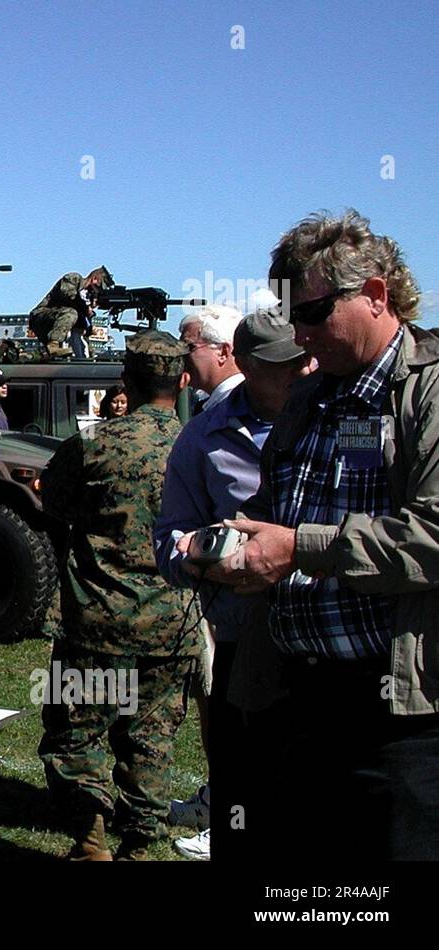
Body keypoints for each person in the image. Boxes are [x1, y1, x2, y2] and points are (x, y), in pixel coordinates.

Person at [188, 208, 439, 860]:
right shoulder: (310, 396)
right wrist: (233, 542)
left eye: (314, 313)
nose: (299, 334)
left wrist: (301, 548)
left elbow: (432, 534)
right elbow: (278, 510)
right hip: (294, 697)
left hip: (401, 716)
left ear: (377, 296)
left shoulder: (429, 392)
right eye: (290, 316)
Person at [153, 308, 313, 861]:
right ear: (244, 364)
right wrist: (207, 560)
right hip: (247, 646)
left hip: (329, 644)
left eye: (301, 358)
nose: (300, 370)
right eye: (282, 365)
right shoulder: (202, 437)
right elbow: (168, 539)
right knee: (245, 794)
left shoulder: (331, 415)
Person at [37, 330, 199, 861]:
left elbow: (55, 505)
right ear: (181, 381)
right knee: (151, 738)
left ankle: (90, 842)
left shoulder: (94, 444)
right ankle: (139, 846)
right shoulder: (199, 446)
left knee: (77, 734)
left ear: (125, 380)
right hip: (174, 624)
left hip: (98, 621)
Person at [28, 266, 113, 360]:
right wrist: (85, 308)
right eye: (99, 287)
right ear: (94, 279)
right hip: (41, 315)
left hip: (54, 322)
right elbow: (68, 295)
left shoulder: (84, 297)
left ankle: (32, 355)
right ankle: (53, 346)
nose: (97, 291)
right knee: (71, 314)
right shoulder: (74, 278)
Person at [178, 304, 244, 412]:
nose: (181, 355)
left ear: (222, 352)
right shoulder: (223, 403)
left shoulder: (238, 406)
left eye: (189, 347)